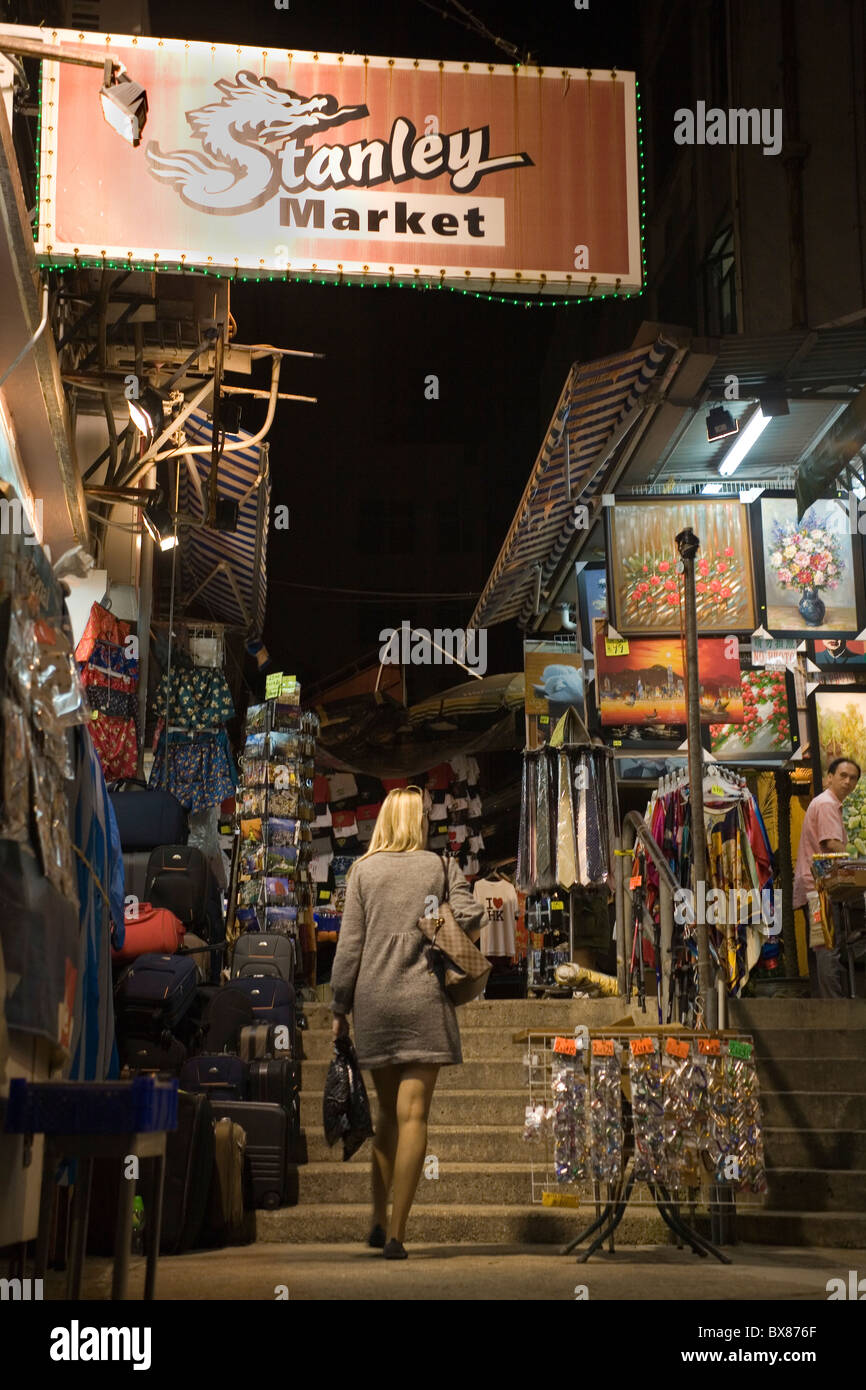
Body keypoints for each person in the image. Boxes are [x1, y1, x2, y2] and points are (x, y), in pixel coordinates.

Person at [329, 786, 483, 1259]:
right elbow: (474, 911)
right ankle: (396, 1233)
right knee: (413, 1114)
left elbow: (349, 948)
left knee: (384, 1117)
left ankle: (375, 1219)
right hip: (422, 1000)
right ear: (418, 822)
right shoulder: (438, 867)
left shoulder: (362, 871)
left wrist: (339, 1010)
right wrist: (434, 920)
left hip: (374, 1002)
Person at [792, 757, 861, 998]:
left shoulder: (824, 804)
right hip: (820, 889)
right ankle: (836, 1010)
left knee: (820, 948)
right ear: (829, 777)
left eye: (853, 778)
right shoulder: (827, 804)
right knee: (827, 948)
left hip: (813, 887)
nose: (848, 781)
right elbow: (833, 845)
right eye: (843, 775)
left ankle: (823, 1009)